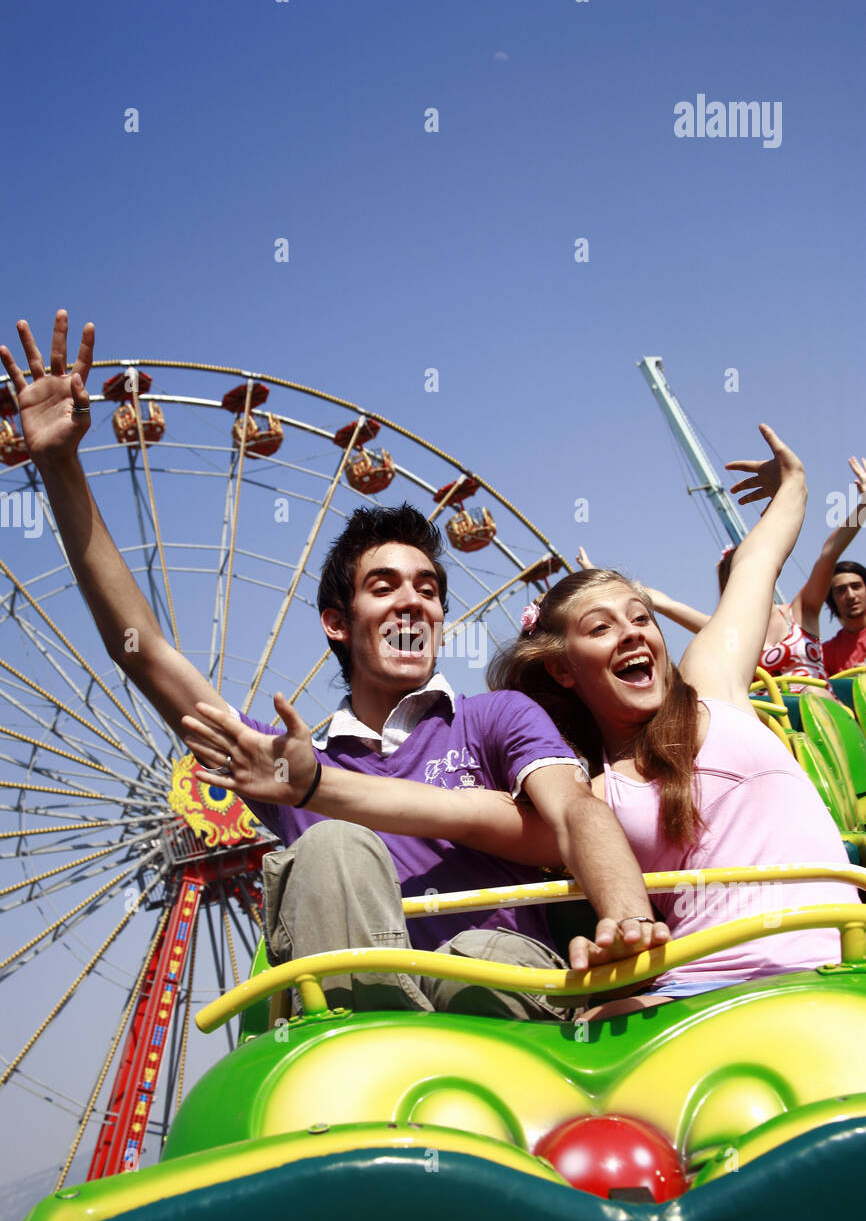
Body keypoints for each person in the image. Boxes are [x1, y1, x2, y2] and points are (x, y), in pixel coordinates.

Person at [0, 310, 660, 1022]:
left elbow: (577, 813)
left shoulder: (492, 718)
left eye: (429, 589)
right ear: (338, 624)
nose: (413, 601)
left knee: (481, 956)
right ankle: (368, 1054)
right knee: (331, 849)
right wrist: (61, 466)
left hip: (500, 1001)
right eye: (385, 587)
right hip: (356, 1024)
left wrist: (625, 918)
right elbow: (145, 651)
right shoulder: (284, 765)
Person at [489, 425, 861, 1006]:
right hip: (695, 987)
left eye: (640, 617)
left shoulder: (709, 683)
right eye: (601, 627)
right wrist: (316, 783)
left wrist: (792, 481)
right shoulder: (585, 795)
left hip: (832, 962)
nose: (633, 633)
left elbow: (758, 560)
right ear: (562, 670)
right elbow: (455, 816)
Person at [578, 456, 866, 696]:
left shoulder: (801, 612)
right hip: (775, 731)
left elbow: (829, 554)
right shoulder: (730, 632)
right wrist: (602, 582)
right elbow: (661, 602)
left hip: (825, 724)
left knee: (812, 697)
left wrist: (862, 508)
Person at [822, 559, 866, 675]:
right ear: (832, 599)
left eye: (856, 586)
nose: (850, 595)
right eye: (841, 590)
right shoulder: (826, 653)